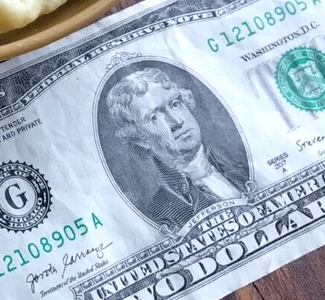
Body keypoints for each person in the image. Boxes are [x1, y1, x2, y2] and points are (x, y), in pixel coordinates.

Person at [107, 67, 249, 228]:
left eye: (175, 104)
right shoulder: (163, 214)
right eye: (155, 117)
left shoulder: (242, 165)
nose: (177, 121)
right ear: (140, 139)